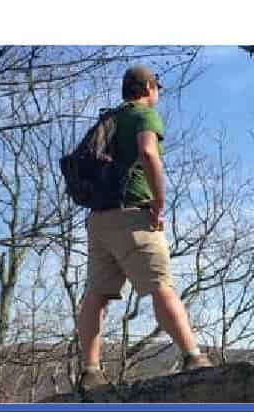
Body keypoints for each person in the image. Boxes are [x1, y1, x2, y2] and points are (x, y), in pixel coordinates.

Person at [77, 65, 211, 393]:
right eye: (157, 88)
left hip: (98, 219)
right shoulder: (143, 116)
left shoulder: (109, 118)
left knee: (96, 295)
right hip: (131, 216)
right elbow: (149, 152)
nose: (158, 94)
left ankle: (91, 371)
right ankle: (193, 357)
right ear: (148, 87)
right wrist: (159, 202)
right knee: (160, 285)